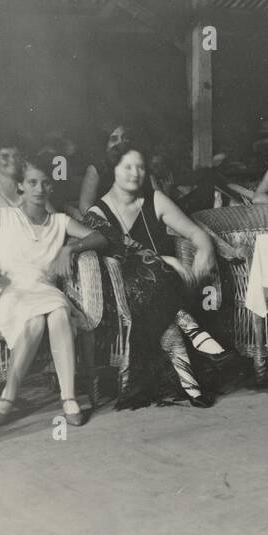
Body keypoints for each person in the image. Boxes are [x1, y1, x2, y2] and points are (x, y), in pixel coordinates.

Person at [0, 153, 108, 427]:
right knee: (37, 321)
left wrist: (69, 247)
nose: (39, 189)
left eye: (45, 183)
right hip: (9, 290)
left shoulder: (60, 222)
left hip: (43, 288)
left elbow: (99, 236)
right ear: (21, 187)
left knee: (60, 312)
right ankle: (9, 394)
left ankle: (69, 397)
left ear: (51, 188)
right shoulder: (4, 217)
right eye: (32, 182)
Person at [82, 144, 227, 408]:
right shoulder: (98, 213)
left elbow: (195, 232)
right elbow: (126, 251)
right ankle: (190, 330)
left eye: (140, 167)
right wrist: (168, 259)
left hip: (163, 286)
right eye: (127, 167)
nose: (135, 173)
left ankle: (190, 379)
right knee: (150, 278)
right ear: (113, 170)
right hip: (124, 290)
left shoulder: (155, 199)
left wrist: (205, 249)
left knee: (159, 289)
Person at [78, 124, 136, 217]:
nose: (119, 143)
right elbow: (85, 208)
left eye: (123, 139)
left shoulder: (134, 166)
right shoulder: (96, 169)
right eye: (114, 139)